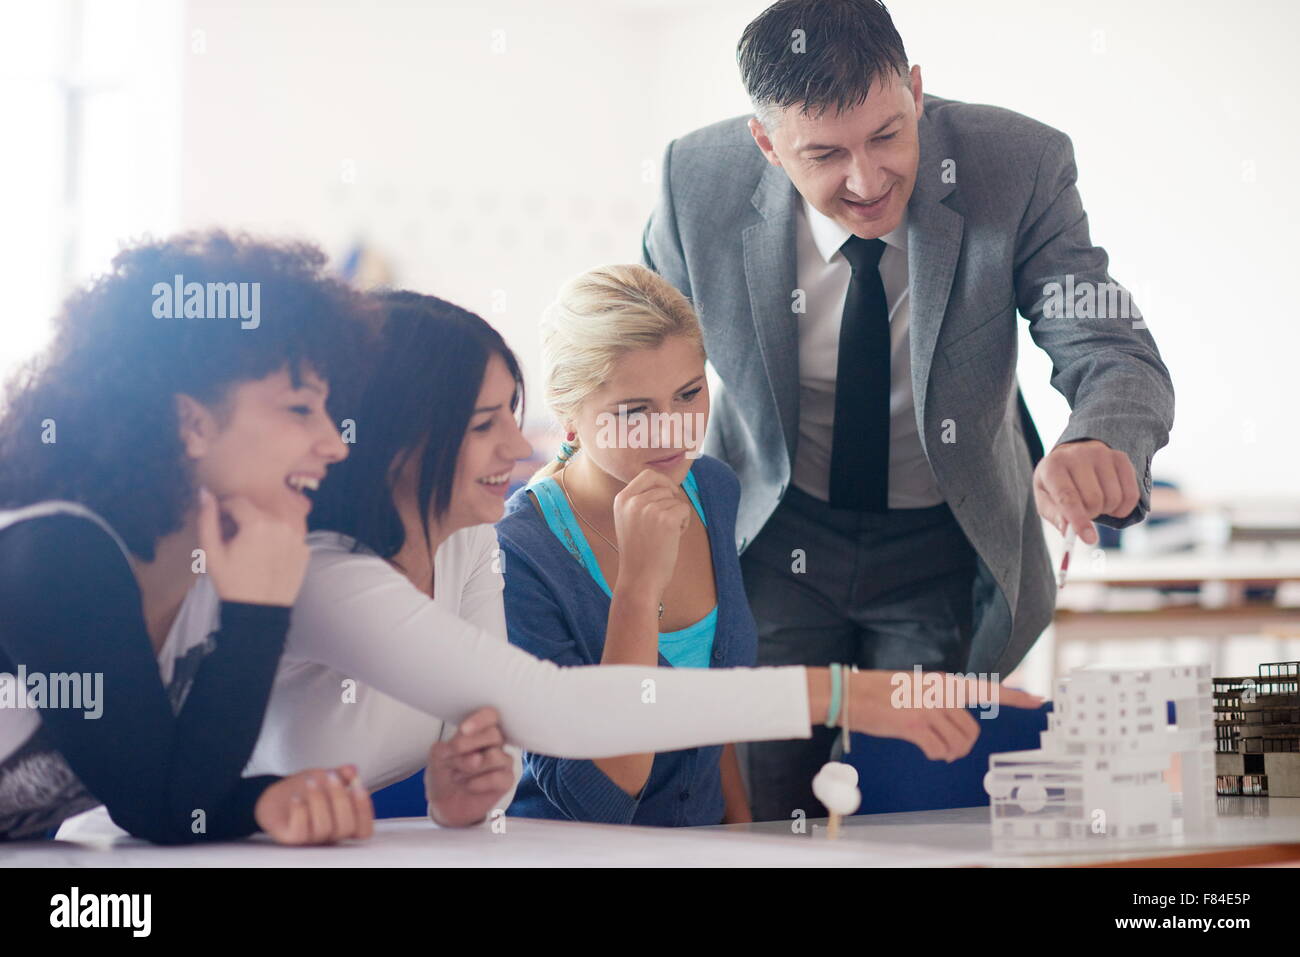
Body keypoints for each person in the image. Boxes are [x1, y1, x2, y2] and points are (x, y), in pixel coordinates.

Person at [141, 288, 1042, 835]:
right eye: (484, 424)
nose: (514, 446)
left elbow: (498, 727)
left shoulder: (466, 547)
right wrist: (851, 692)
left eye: (511, 414)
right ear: (403, 441)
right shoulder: (331, 575)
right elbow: (565, 712)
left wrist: (460, 797)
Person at [640, 0, 1175, 820]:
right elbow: (637, 357)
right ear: (766, 143)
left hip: (939, 543)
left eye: (888, 134)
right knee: (774, 809)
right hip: (776, 535)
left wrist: (1099, 434)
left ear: (916, 91)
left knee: (922, 808)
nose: (867, 179)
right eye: (824, 153)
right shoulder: (695, 182)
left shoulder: (1017, 164)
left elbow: (1107, 339)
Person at [0, 232, 375, 845]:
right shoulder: (56, 553)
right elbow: (161, 809)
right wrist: (257, 612)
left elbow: (159, 783)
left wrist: (262, 802)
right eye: (300, 409)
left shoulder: (197, 561)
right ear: (190, 423)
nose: (335, 443)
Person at [496, 264, 757, 826]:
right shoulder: (520, 552)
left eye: (689, 393)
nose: (673, 431)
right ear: (569, 420)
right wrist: (637, 588)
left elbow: (720, 712)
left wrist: (742, 836)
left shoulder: (712, 488)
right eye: (634, 412)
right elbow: (600, 794)